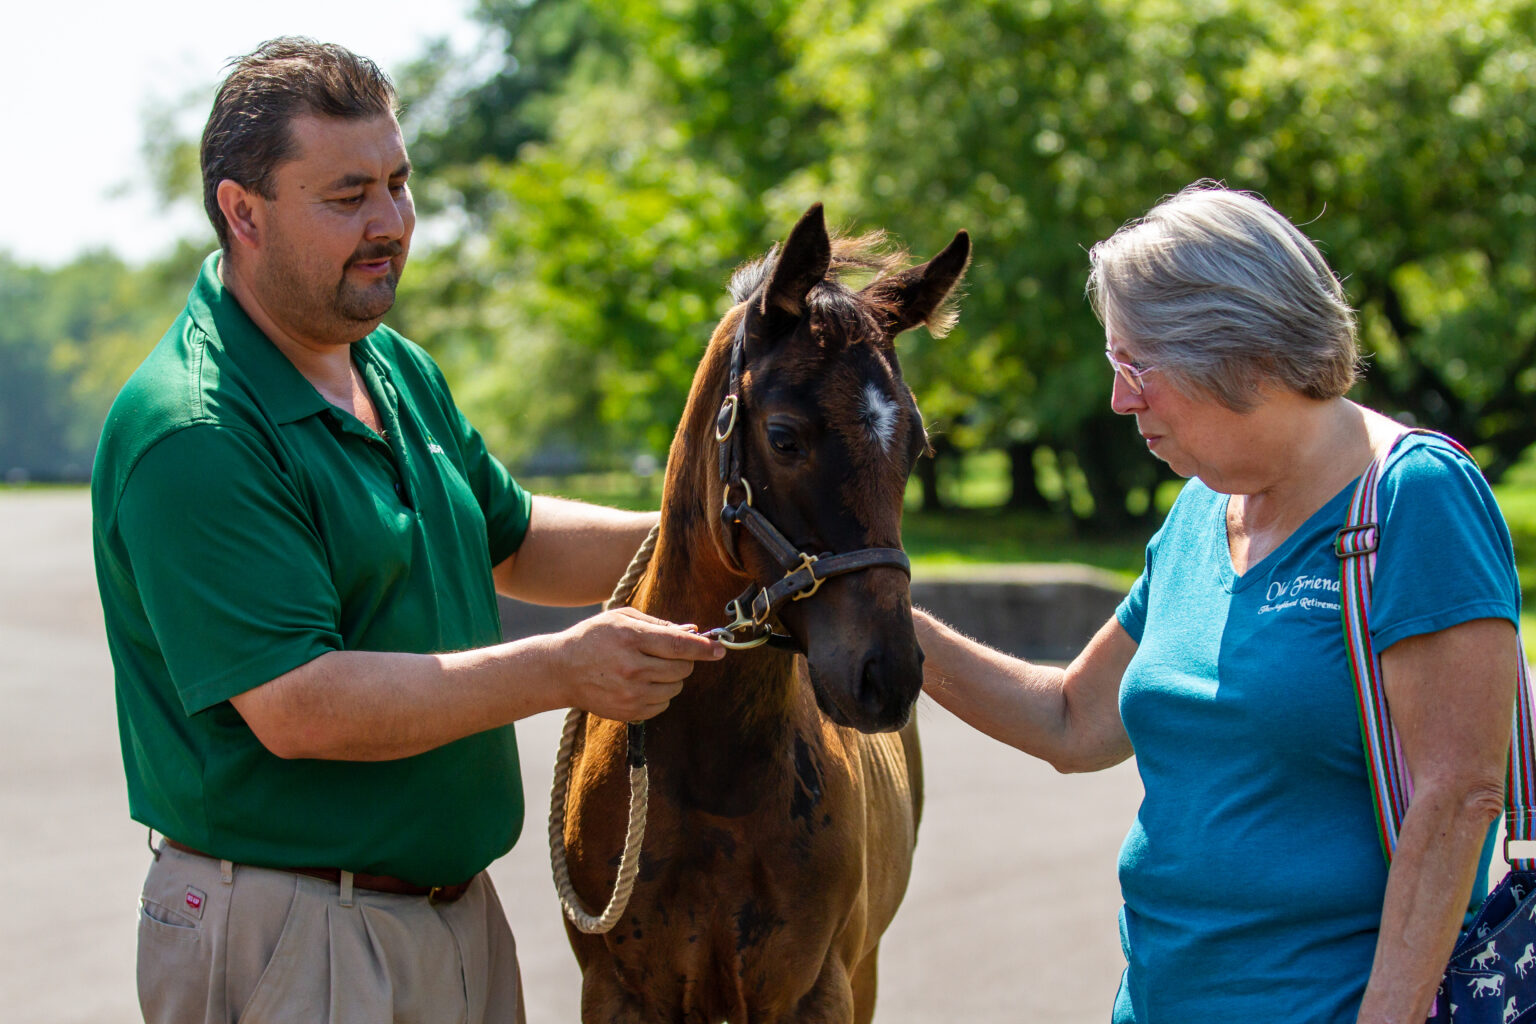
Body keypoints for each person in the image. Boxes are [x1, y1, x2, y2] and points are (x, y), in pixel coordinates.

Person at [90, 37, 723, 1023]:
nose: (391, 223)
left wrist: (714, 531)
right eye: (347, 197)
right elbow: (302, 707)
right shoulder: (195, 431)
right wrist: (565, 670)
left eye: (398, 182)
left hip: (448, 917)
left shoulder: (388, 365)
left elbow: (514, 537)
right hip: (293, 929)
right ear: (241, 211)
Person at [915, 182, 1522, 1023]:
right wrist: (879, 615)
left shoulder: (1414, 497)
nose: (1120, 400)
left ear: (1241, 350)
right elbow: (1073, 722)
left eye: (1136, 367)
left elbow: (1457, 799)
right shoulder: (1205, 503)